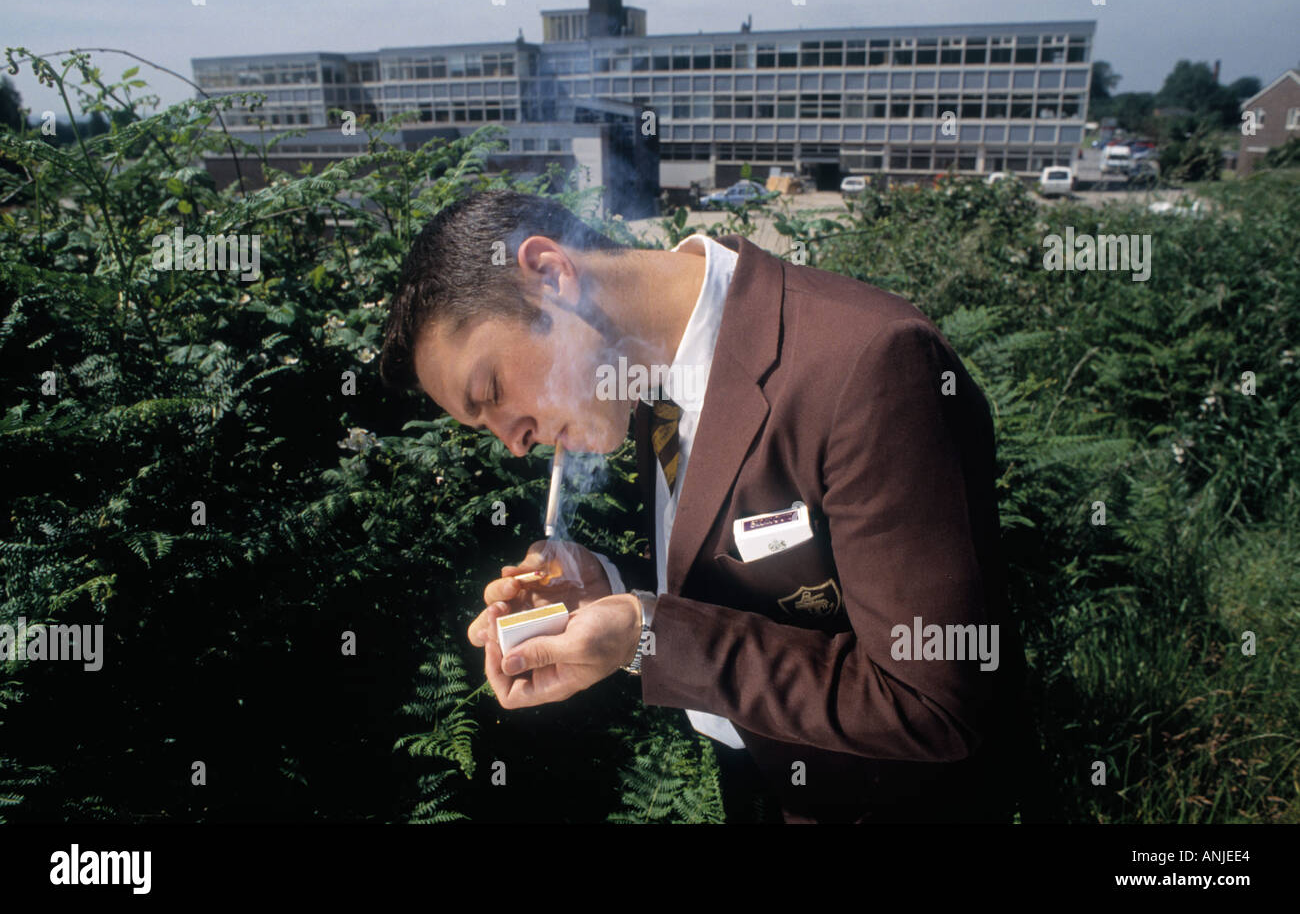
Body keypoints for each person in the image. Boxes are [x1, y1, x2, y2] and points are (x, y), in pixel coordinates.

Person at [379, 189, 1034, 823]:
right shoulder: (648, 381)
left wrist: (646, 636)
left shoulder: (869, 364)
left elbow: (930, 703)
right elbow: (759, 588)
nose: (514, 441)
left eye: (490, 389)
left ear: (549, 275)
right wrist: (609, 588)